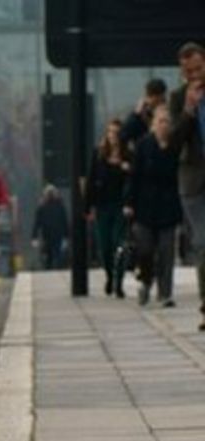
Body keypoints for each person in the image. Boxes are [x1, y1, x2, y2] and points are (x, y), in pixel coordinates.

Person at [124, 105, 182, 308]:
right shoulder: (144, 145)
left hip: (168, 206)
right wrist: (129, 202)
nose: (164, 125)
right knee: (145, 250)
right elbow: (134, 176)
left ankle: (165, 293)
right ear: (153, 124)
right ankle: (146, 283)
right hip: (144, 206)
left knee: (167, 251)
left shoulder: (175, 146)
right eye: (160, 121)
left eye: (167, 121)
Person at [169, 42, 205, 330]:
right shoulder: (178, 97)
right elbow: (173, 143)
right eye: (188, 72)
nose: (194, 75)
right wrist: (189, 110)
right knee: (203, 242)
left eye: (198, 69)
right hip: (193, 180)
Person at [85, 119, 132, 295]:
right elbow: (91, 180)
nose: (113, 136)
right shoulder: (98, 154)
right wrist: (87, 206)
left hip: (121, 206)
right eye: (111, 132)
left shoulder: (128, 155)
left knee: (119, 244)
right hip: (102, 205)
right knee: (104, 246)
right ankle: (109, 276)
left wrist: (127, 168)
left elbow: (135, 180)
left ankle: (119, 282)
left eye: (117, 133)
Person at [120, 78, 168, 150]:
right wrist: (136, 114)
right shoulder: (139, 117)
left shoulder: (167, 113)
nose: (161, 100)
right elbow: (123, 135)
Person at [32, 184, 69, 270]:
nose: (50, 195)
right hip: (50, 236)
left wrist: (34, 237)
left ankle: (53, 268)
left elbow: (37, 223)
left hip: (53, 235)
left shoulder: (47, 207)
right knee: (52, 256)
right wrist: (34, 237)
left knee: (54, 256)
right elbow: (37, 223)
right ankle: (53, 268)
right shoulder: (58, 206)